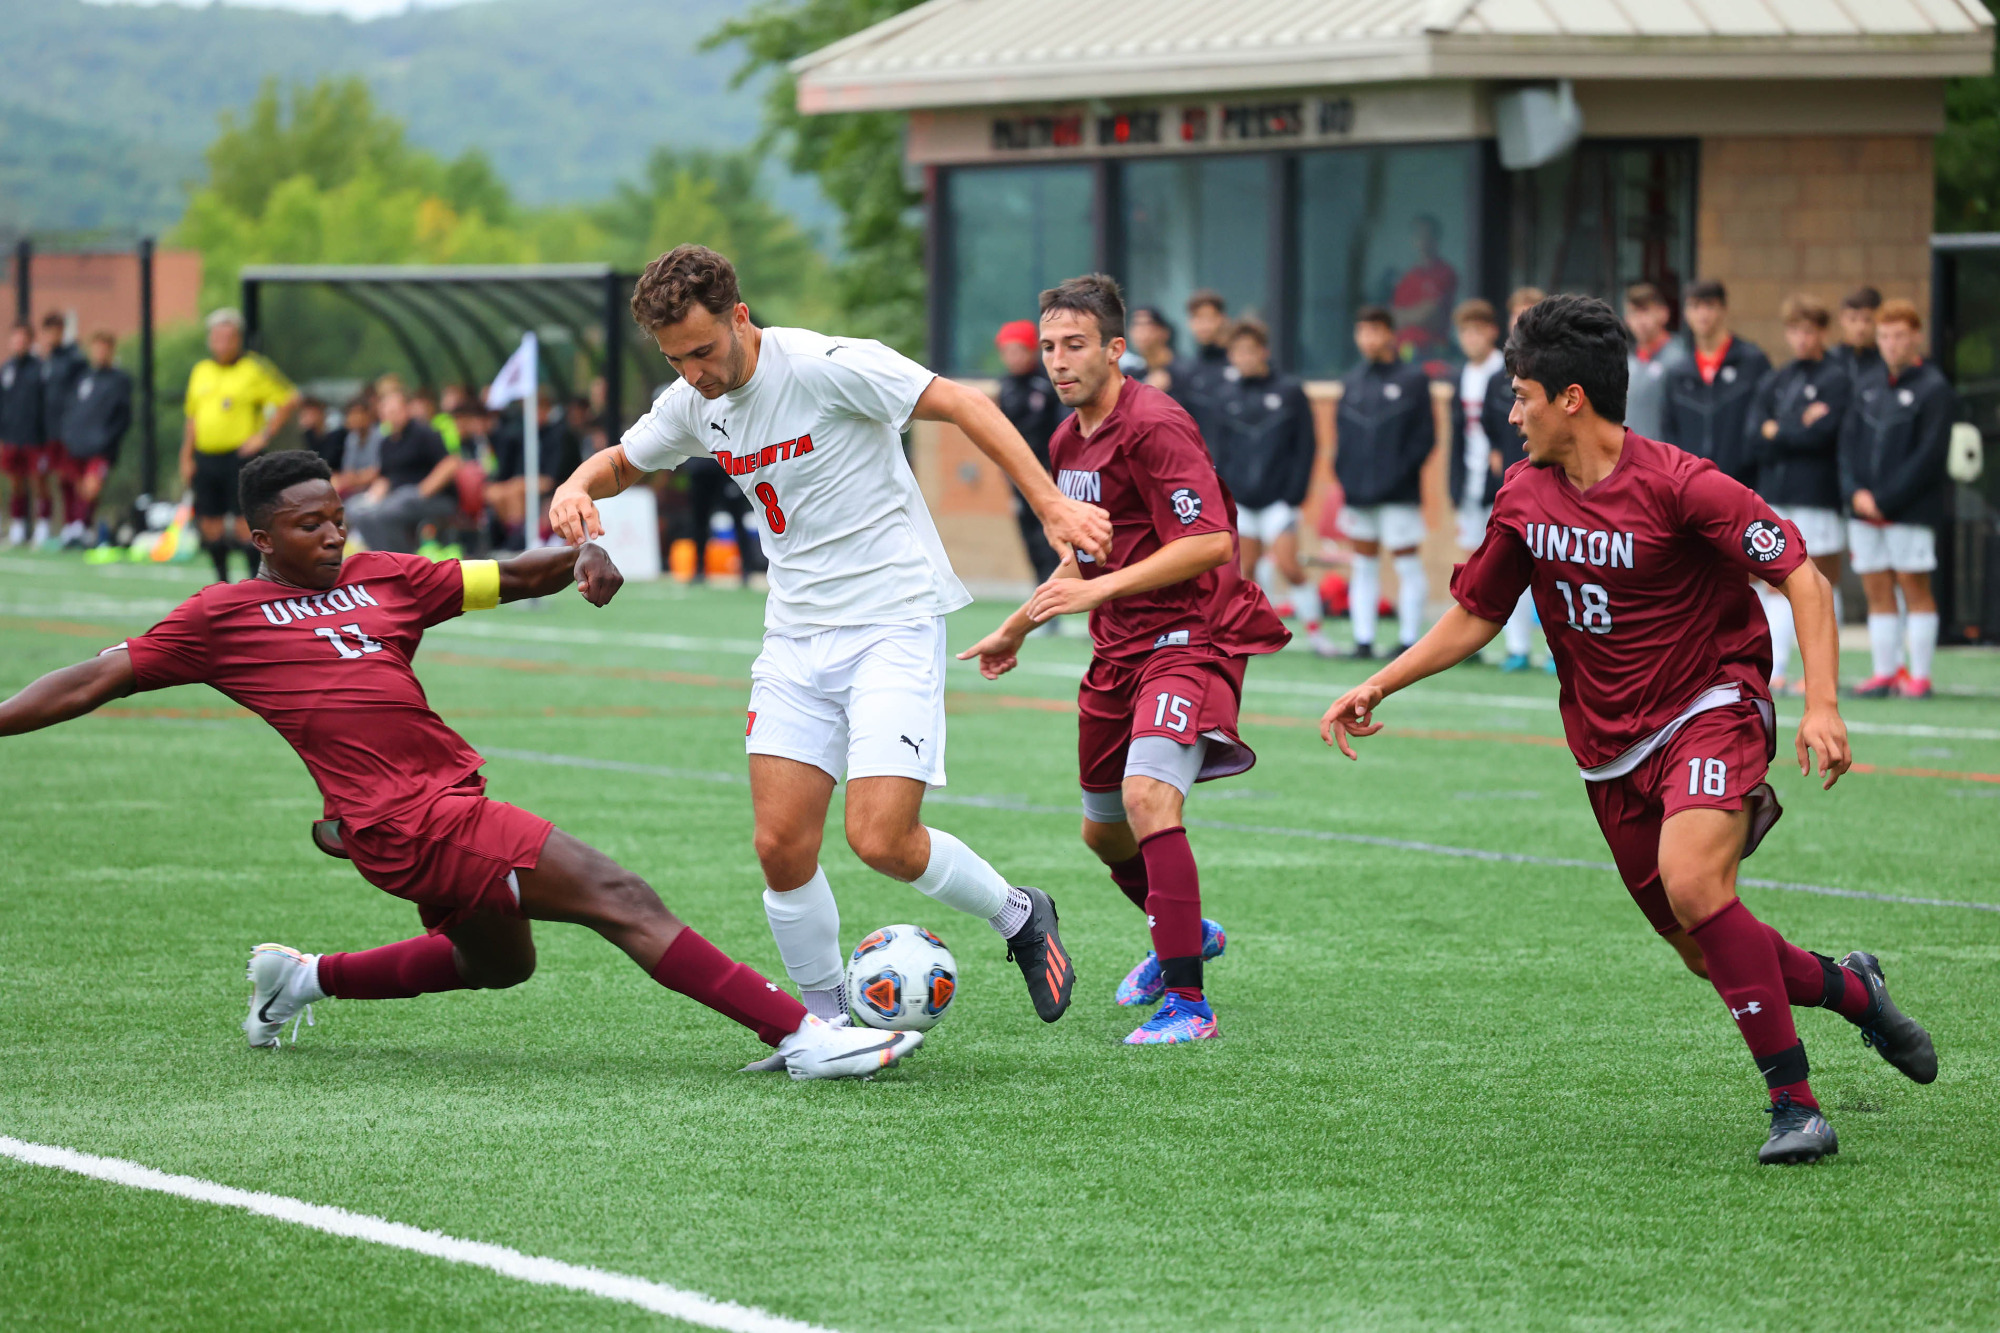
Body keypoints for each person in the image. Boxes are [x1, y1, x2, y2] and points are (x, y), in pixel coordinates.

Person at [0, 451, 913, 1079]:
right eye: (307, 525)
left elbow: (516, 575)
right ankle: (801, 1033)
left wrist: (585, 554)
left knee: (498, 964)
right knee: (620, 895)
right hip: (409, 819)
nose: (331, 535)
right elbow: (94, 678)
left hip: (437, 804)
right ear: (260, 538)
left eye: (338, 518)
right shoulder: (221, 617)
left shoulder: (387, 578)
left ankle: (303, 977)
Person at [1321, 293, 1935, 1166]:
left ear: (1571, 398)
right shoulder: (1524, 493)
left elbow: (1805, 576)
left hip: (1711, 703)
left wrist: (1823, 702)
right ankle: (1851, 989)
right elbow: (1478, 612)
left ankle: (1795, 1105)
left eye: (1523, 392)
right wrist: (1378, 682)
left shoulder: (1682, 483)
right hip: (1610, 751)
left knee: (1694, 884)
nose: (1512, 410)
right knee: (1701, 944)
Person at [549, 244, 1113, 1030]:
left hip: (890, 620)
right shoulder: (692, 400)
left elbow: (966, 404)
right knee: (781, 845)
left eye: (705, 351)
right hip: (794, 636)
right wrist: (576, 484)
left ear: (740, 317)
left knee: (881, 837)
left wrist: (1051, 506)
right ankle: (823, 1027)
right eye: (676, 359)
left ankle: (1019, 913)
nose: (695, 373)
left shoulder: (825, 364)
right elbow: (621, 460)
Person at [959, 274, 1289, 1044]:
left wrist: (1095, 593)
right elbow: (1086, 560)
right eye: (1047, 347)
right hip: (1119, 647)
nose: (1057, 361)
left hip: (1189, 635)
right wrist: (1018, 625)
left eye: (1075, 345)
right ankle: (1182, 924)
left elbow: (1208, 541)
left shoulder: (1156, 425)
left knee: (1148, 800)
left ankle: (1188, 1003)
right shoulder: (1067, 441)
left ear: (1116, 349)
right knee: (1103, 832)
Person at [1840, 299, 1954, 700]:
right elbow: (1848, 443)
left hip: (1910, 510)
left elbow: (1930, 455)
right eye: (1885, 335)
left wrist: (1886, 499)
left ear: (1916, 337)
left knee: (1913, 585)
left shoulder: (1935, 388)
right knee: (1876, 589)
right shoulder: (1867, 383)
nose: (1891, 343)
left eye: (1900, 335)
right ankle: (1884, 672)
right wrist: (1855, 492)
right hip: (1863, 512)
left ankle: (1919, 676)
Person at [1748, 296, 1851, 694]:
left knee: (1822, 582)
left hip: (1818, 494)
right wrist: (1797, 428)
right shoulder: (1778, 378)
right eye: (1795, 330)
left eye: (1809, 330)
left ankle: (1823, 673)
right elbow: (1756, 436)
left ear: (1823, 332)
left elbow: (1824, 436)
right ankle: (1775, 670)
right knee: (1773, 582)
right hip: (1778, 491)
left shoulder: (1836, 379)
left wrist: (1782, 430)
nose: (1802, 338)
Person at [1212, 317, 1331, 656]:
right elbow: (1218, 451)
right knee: (1245, 573)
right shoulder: (1226, 396)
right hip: (1242, 502)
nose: (1244, 358)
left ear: (1263, 351)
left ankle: (1316, 634)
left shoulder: (1290, 391)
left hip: (1279, 500)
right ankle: (1253, 637)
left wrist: (1294, 493)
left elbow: (1306, 446)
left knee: (1290, 566)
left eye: (1250, 350)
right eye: (1237, 352)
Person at [1332, 306, 1434, 658]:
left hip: (1399, 495)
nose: (1368, 339)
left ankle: (1408, 641)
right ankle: (1363, 641)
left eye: (1375, 330)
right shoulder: (1351, 381)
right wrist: (1347, 479)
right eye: (1362, 331)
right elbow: (1342, 440)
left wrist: (1396, 476)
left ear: (1391, 333)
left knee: (1407, 564)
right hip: (1358, 494)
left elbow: (1425, 439)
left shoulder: (1413, 380)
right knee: (1363, 565)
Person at [1448, 300, 1538, 670]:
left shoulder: (1556, 371)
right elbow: (1479, 428)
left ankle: (1547, 649)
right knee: (1494, 563)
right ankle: (1513, 648)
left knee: (1544, 566)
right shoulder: (1488, 378)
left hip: (1541, 479)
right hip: (1491, 485)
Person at [182, 307, 302, 583]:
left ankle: (252, 582)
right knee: (209, 523)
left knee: (244, 523)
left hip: (241, 458)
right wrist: (186, 456)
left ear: (238, 339)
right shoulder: (201, 371)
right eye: (217, 337)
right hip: (206, 456)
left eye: (228, 337)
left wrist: (264, 434)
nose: (222, 343)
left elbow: (289, 397)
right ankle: (221, 581)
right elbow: (192, 417)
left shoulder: (253, 368)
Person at [1660, 280, 1770, 484]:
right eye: (1694, 306)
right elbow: (1669, 431)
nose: (1702, 314)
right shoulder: (1678, 373)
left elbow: (1764, 421)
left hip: (1744, 485)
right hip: (1691, 489)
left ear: (1723, 309)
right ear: (1685, 313)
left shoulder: (1752, 362)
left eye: (1709, 306)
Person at [995, 319, 1065, 586]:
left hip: (1047, 471)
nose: (1012, 357)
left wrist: (1053, 467)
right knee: (1028, 534)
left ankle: (1059, 589)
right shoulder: (1006, 387)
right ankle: (1041, 589)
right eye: (1007, 351)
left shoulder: (1048, 384)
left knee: (1050, 533)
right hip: (1018, 475)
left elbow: (1060, 428)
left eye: (1018, 350)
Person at [347, 386, 458, 554]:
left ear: (406, 410)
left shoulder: (424, 433)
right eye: (387, 412)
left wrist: (422, 491)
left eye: (395, 411)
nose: (391, 416)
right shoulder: (386, 443)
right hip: (396, 497)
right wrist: (372, 498)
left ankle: (404, 560)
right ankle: (382, 556)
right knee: (357, 510)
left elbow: (450, 464)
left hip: (432, 498)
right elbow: (385, 477)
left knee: (389, 510)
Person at [54, 331, 132, 546]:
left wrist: (107, 440)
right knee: (74, 487)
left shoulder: (120, 380)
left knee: (91, 487)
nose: (100, 353)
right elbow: (71, 410)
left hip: (100, 447)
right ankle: (78, 529)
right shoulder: (83, 377)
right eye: (96, 348)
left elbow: (123, 417)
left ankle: (80, 528)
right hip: (77, 445)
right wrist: (69, 434)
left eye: (104, 348)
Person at [39, 313, 87, 549]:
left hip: (70, 431)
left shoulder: (75, 359)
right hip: (52, 431)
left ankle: (80, 525)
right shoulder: (48, 360)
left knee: (74, 478)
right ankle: (68, 525)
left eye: (55, 330)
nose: (51, 335)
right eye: (48, 330)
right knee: (60, 480)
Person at [0, 323, 48, 546]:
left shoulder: (40, 368)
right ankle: (17, 525)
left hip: (35, 438)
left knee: (39, 482)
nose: (18, 343)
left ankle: (43, 526)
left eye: (23, 339)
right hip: (11, 437)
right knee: (15, 482)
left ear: (30, 341)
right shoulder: (7, 369)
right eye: (15, 338)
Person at [1623, 282, 1689, 441]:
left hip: (1665, 458)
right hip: (1630, 458)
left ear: (1664, 313)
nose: (1640, 320)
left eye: (1645, 311)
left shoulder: (1680, 360)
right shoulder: (1625, 362)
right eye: (1634, 313)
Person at [1167, 288, 1233, 441]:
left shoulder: (1241, 367)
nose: (1204, 325)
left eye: (1209, 318)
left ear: (1223, 319)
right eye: (1197, 318)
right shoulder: (1184, 371)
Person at [1389, 215, 1457, 360]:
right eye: (1419, 235)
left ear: (1436, 239)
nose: (1423, 240)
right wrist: (1414, 314)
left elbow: (1430, 314)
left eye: (1428, 235)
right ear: (1412, 240)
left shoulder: (1444, 272)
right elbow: (1392, 317)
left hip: (1431, 354)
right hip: (1402, 352)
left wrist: (1406, 315)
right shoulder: (1407, 277)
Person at [1829, 286, 1883, 383]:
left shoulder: (1888, 361)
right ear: (1841, 319)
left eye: (1867, 320)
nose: (1860, 327)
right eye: (1853, 319)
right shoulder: (1829, 361)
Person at [331, 397, 381, 497]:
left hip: (374, 489)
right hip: (354, 488)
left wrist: (354, 479)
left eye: (358, 413)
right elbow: (348, 471)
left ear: (368, 415)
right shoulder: (351, 438)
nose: (354, 418)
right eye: (351, 414)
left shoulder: (380, 437)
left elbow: (375, 472)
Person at [1127, 306, 1178, 392]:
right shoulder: (1132, 374)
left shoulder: (1184, 372)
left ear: (1164, 332)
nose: (1139, 331)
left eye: (1146, 324)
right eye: (1135, 325)